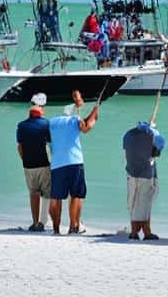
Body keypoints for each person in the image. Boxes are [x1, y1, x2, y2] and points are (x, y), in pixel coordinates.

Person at [48, 90, 99, 234]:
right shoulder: (74, 120)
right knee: (76, 194)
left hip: (57, 164)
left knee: (56, 197)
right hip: (75, 161)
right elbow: (86, 127)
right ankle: (73, 226)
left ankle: (56, 229)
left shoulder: (51, 123)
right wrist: (95, 113)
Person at [123, 120, 166, 240]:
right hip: (145, 174)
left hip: (131, 172)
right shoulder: (153, 136)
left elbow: (126, 151)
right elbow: (158, 150)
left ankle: (134, 231)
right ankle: (147, 232)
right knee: (145, 203)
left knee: (132, 202)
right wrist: (154, 131)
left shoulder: (128, 135)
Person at [16, 94, 52, 231]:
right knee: (47, 193)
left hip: (28, 165)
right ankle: (42, 222)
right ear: (40, 113)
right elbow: (51, 143)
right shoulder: (46, 124)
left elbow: (20, 147)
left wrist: (24, 160)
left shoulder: (21, 126)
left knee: (33, 193)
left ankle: (35, 222)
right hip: (43, 164)